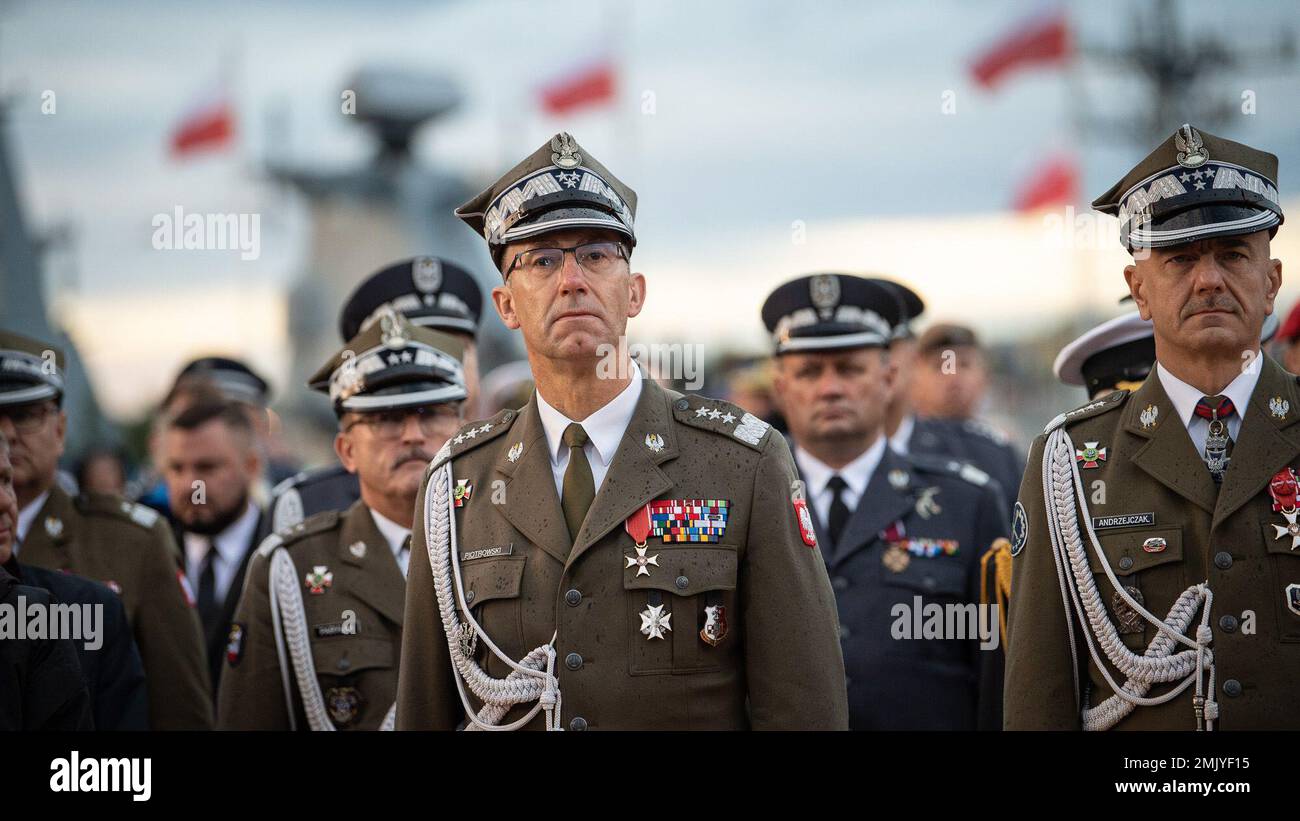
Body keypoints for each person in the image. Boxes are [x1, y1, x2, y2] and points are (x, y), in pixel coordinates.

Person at [397, 132, 848, 731]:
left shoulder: (745, 463)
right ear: (506, 306)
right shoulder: (459, 484)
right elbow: (427, 711)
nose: (572, 280)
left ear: (633, 293)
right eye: (542, 260)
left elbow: (804, 707)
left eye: (596, 255)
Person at [1006, 124, 1299, 730]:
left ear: (1271, 282)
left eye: (1233, 254)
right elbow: (1042, 693)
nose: (1209, 279)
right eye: (1181, 259)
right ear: (1138, 290)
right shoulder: (1071, 459)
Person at [763, 273, 1010, 730]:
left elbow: (997, 676)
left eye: (850, 369)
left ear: (890, 377)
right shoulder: (744, 500)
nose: (830, 388)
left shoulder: (967, 502)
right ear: (781, 387)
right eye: (810, 372)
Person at [216, 310, 468, 730]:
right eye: (386, 419)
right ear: (346, 450)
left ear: (464, 427)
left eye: (430, 413)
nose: (412, 435)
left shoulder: (514, 541)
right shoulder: (289, 568)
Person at [0, 329, 213, 729]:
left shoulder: (133, 542)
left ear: (60, 430)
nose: (8, 434)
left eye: (26, 415)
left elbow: (181, 710)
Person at [258, 256, 484, 540]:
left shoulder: (525, 477)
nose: (440, 368)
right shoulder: (307, 508)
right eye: (421, 350)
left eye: (455, 350)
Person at [877, 280, 1024, 510]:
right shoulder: (892, 440)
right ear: (915, 372)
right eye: (939, 367)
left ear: (985, 376)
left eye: (964, 365)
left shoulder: (999, 454)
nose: (953, 378)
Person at [161, 398, 267, 693]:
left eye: (206, 468)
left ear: (252, 466)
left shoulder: (288, 554)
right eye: (176, 468)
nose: (189, 486)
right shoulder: (146, 554)